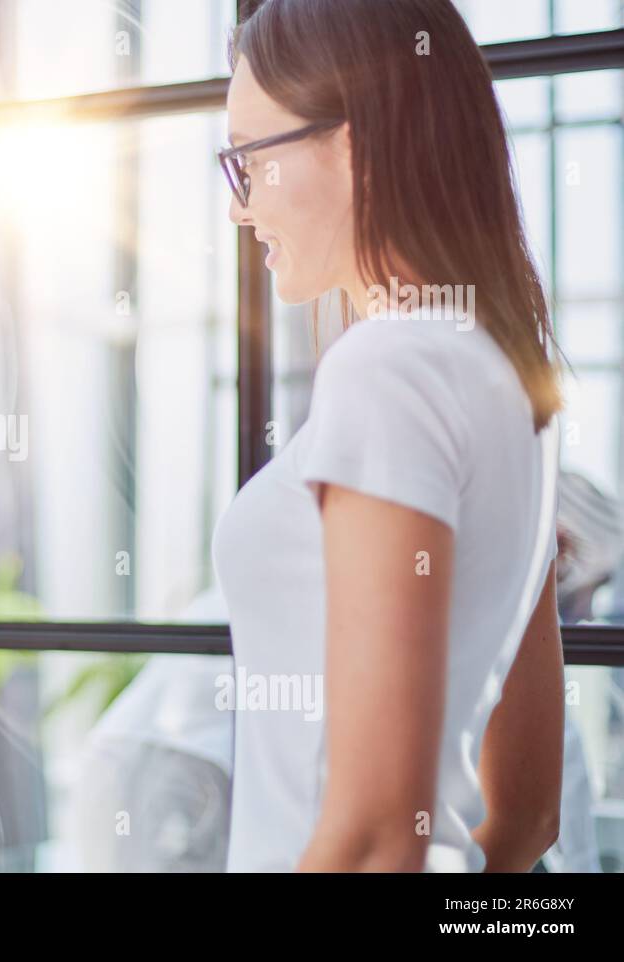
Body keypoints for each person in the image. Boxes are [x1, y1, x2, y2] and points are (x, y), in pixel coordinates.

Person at [211, 0, 566, 871]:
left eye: (247, 162)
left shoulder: (388, 369)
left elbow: (375, 834)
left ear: (354, 139)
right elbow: (524, 817)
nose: (239, 208)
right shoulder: (503, 377)